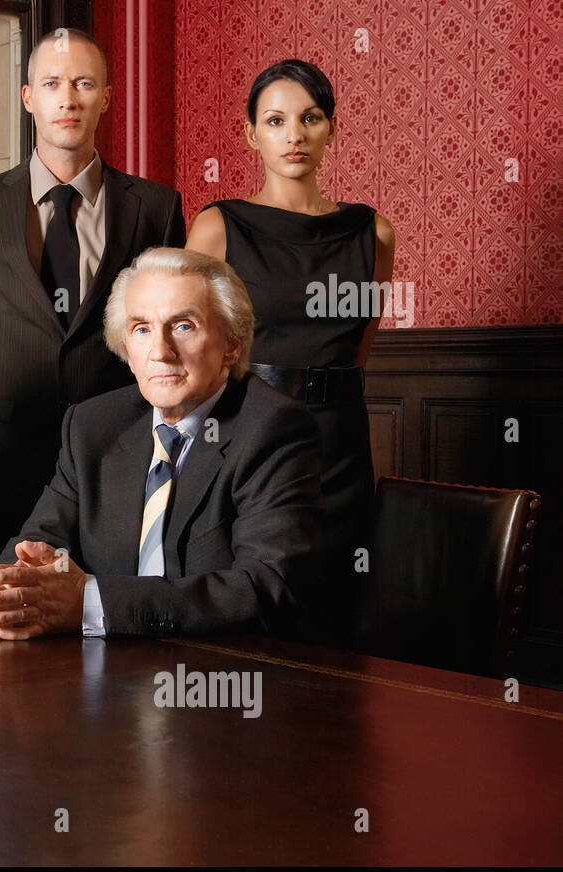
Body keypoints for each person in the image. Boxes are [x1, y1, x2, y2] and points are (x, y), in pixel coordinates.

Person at [0, 27, 186, 587]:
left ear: (107, 97)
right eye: (51, 84)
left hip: (117, 461)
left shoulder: (156, 208)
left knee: (105, 632)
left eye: (83, 83)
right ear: (29, 97)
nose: (67, 98)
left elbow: (173, 336)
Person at [0, 247, 323, 640]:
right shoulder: (92, 426)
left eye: (184, 326)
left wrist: (88, 601)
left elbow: (268, 588)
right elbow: (34, 545)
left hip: (222, 681)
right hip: (100, 674)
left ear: (232, 344)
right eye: (141, 329)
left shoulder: (273, 429)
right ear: (126, 349)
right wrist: (22, 584)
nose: (160, 351)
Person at [185, 59, 395, 625]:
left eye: (311, 118)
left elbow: (358, 348)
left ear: (331, 128)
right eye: (276, 121)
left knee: (338, 612)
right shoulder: (218, 226)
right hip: (249, 434)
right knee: (255, 603)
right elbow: (195, 353)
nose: (295, 135)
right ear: (252, 134)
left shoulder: (371, 231)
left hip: (341, 443)